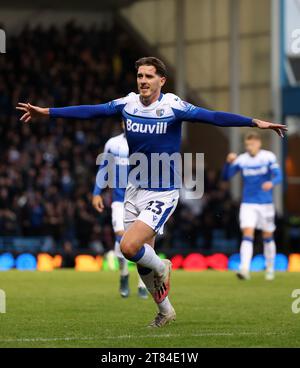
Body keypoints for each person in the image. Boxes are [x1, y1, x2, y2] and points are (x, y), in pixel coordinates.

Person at [17, 56, 287, 328]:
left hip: (162, 192)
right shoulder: (128, 103)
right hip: (133, 189)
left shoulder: (173, 106)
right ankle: (165, 310)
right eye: (140, 76)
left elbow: (213, 117)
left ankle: (162, 266)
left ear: (162, 80)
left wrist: (254, 122)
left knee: (128, 247)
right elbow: (91, 110)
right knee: (142, 259)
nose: (143, 81)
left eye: (149, 76)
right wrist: (48, 112)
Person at [92, 122, 148, 299]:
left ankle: (142, 282)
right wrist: (96, 193)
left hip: (142, 198)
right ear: (123, 123)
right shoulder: (113, 143)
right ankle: (124, 275)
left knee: (142, 241)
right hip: (119, 199)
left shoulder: (147, 142)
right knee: (121, 236)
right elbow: (104, 168)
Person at [222, 132, 282, 280]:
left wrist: (271, 183)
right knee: (247, 234)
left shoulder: (268, 157)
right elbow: (225, 177)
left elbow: (279, 175)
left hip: (265, 204)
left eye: (252, 144)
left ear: (259, 143)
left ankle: (270, 269)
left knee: (268, 236)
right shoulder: (242, 160)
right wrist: (228, 163)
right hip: (248, 203)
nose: (250, 147)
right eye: (248, 144)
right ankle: (244, 269)